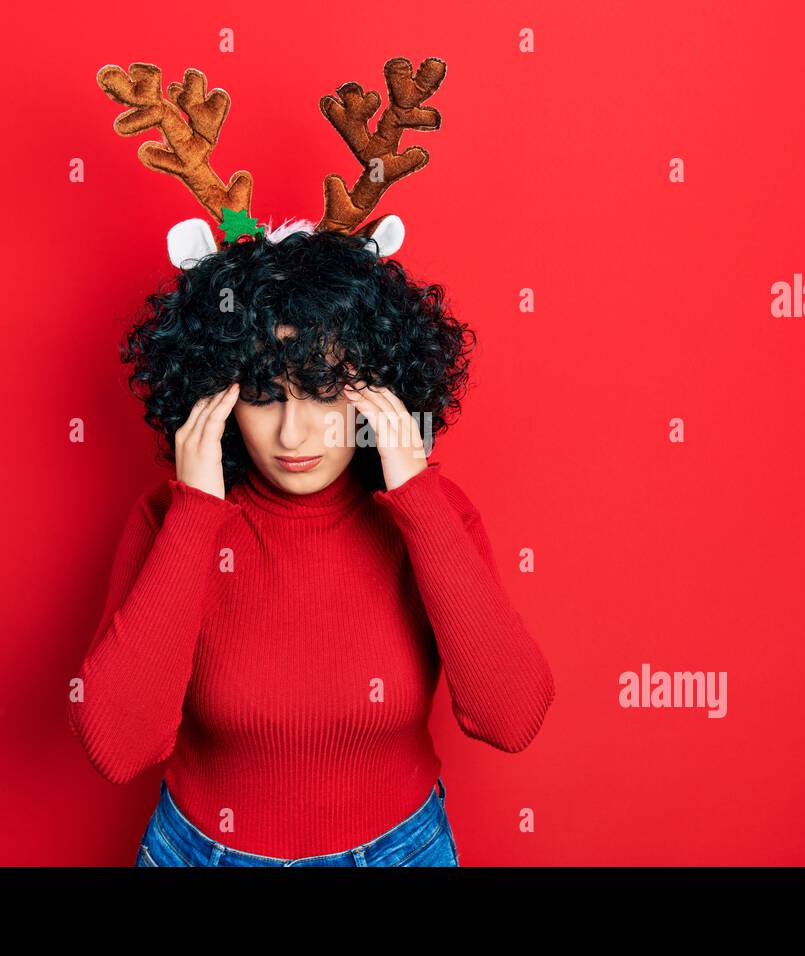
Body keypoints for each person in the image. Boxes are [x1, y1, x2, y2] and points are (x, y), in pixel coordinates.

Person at [68, 57, 555, 866]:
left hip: (399, 851)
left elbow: (511, 717)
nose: (296, 435)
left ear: (380, 391)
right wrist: (195, 513)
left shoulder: (435, 515)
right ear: (216, 389)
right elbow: (116, 747)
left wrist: (418, 496)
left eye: (328, 393)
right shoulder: (167, 519)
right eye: (265, 392)